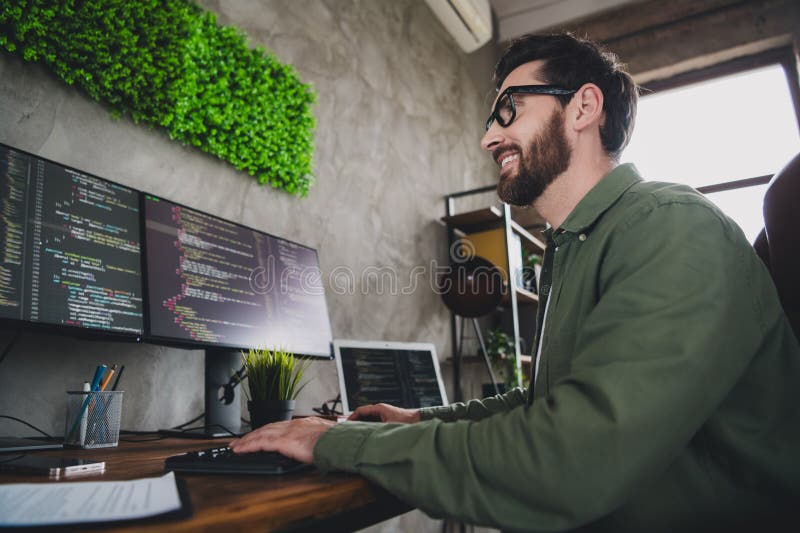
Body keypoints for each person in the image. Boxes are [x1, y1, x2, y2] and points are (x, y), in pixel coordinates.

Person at [230, 33, 799, 532]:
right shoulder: (574, 245)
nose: (487, 139)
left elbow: (572, 456)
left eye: (509, 109)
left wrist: (335, 442)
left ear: (583, 107)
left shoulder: (670, 226)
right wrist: (421, 420)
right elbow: (544, 404)